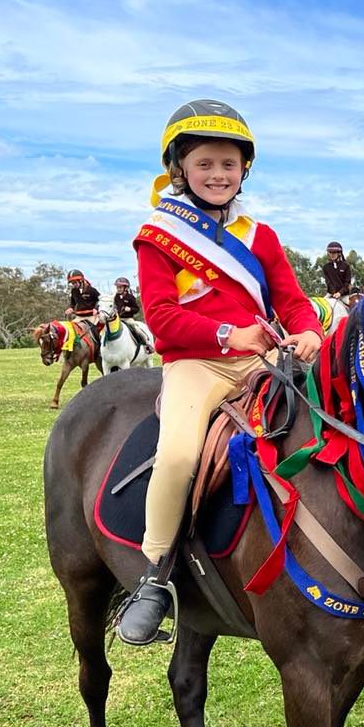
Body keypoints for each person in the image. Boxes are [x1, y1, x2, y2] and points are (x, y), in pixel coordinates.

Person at [114, 98, 323, 646]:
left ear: (244, 169)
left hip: (262, 361)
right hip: (197, 364)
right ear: (179, 168)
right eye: (204, 163)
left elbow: (292, 302)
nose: (217, 174)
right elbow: (161, 317)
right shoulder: (157, 236)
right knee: (180, 454)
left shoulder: (260, 236)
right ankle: (154, 576)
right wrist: (230, 334)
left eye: (228, 164)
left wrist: (307, 330)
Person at [111, 276, 154, 354]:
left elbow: (136, 309)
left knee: (136, 329)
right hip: (118, 319)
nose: (118, 289)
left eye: (120, 287)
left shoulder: (130, 297)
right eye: (117, 287)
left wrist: (130, 309)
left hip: (128, 319)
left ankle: (147, 345)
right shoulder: (116, 297)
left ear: (125, 288)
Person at [66, 270, 102, 336]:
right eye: (72, 283)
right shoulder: (73, 291)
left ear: (81, 280)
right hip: (79, 317)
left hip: (91, 316)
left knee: (96, 331)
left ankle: (99, 342)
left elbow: (100, 300)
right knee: (70, 329)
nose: (73, 285)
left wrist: (96, 308)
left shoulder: (91, 290)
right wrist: (71, 308)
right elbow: (73, 303)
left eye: (75, 282)